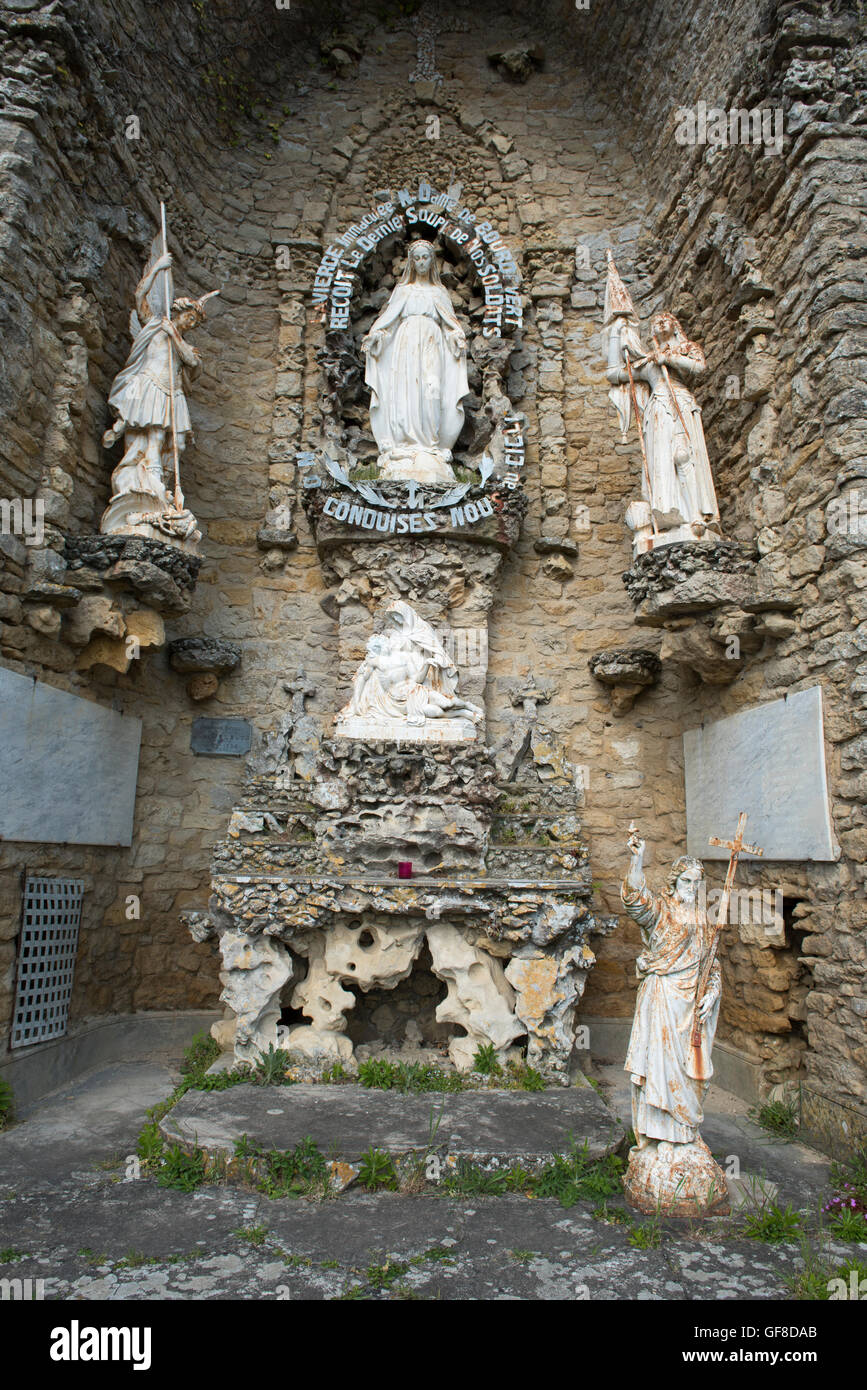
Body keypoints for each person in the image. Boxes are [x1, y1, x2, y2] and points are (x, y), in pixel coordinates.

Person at [100, 247, 215, 544]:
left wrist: (175, 334)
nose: (190, 324)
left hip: (171, 392)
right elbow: (140, 296)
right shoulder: (154, 326)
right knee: (149, 437)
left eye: (194, 323)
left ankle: (160, 492)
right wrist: (157, 269)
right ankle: (145, 490)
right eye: (188, 318)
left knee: (170, 442)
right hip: (149, 386)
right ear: (178, 312)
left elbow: (190, 361)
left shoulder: (181, 341)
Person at [621, 824, 721, 1148]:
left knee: (688, 1070)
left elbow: (711, 963)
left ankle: (684, 1134)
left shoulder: (704, 921)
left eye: (696, 882)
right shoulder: (662, 911)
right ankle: (658, 1134)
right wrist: (637, 862)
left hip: (690, 1004)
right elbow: (636, 902)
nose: (692, 887)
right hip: (663, 997)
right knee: (658, 1067)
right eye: (686, 881)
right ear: (675, 882)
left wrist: (713, 990)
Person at [362, 240, 469, 484]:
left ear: (432, 261)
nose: (421, 262)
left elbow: (450, 326)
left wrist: (456, 339)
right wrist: (376, 337)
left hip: (432, 345)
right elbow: (389, 323)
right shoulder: (404, 291)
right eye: (417, 258)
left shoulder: (438, 293)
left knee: (432, 391)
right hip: (406, 345)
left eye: (426, 258)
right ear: (412, 261)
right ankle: (405, 445)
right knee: (407, 391)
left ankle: (430, 446)